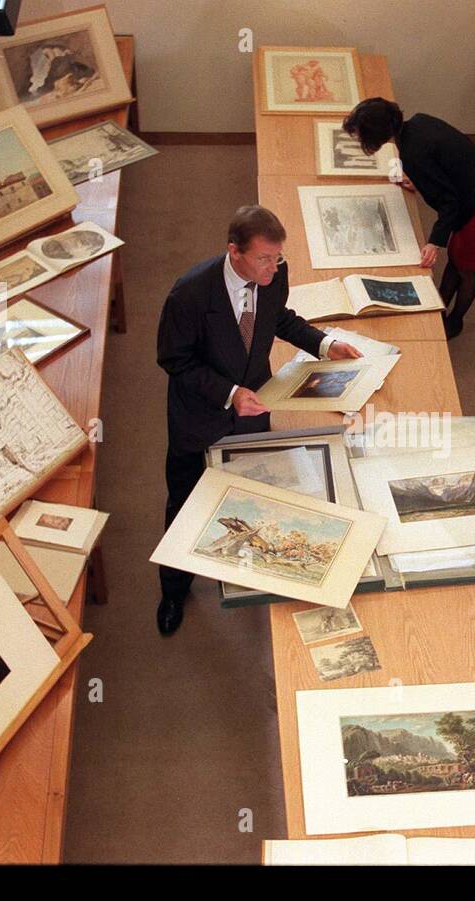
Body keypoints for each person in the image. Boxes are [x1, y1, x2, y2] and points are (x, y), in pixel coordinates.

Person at [155, 205, 362, 635]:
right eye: (264, 258)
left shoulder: (273, 275)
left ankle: (250, 571)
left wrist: (324, 344)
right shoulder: (189, 294)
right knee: (184, 502)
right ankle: (174, 589)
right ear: (235, 252)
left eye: (278, 258)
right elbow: (175, 360)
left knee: (248, 492)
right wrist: (229, 395)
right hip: (200, 416)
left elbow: (277, 318)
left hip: (253, 412)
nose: (274, 267)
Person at [342, 97, 475, 339]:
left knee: (466, 266)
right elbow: (448, 159)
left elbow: (449, 203)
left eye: (361, 136)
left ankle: (455, 321)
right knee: (458, 258)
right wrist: (420, 179)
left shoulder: (413, 152)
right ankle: (439, 309)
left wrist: (435, 242)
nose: (360, 141)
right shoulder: (418, 123)